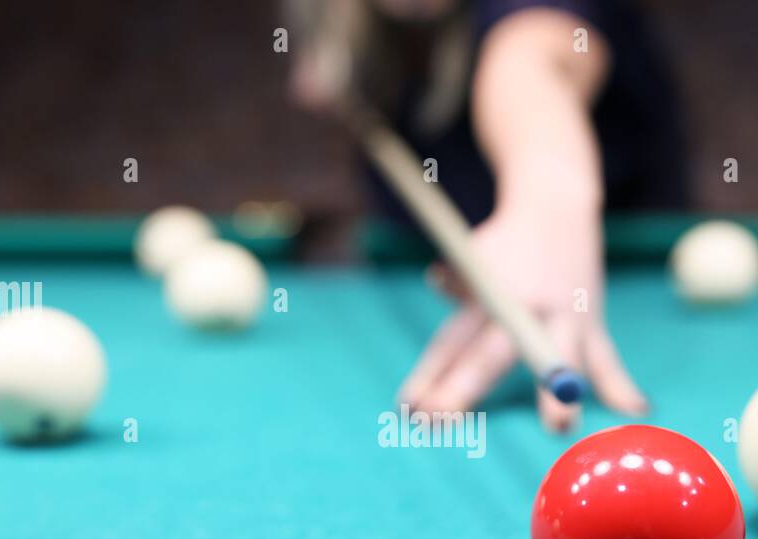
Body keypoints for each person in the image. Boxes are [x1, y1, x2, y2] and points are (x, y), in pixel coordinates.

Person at [289, 0, 688, 431]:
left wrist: (548, 201)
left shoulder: (536, 20)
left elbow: (531, 62)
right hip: (428, 250)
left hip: (622, 260)